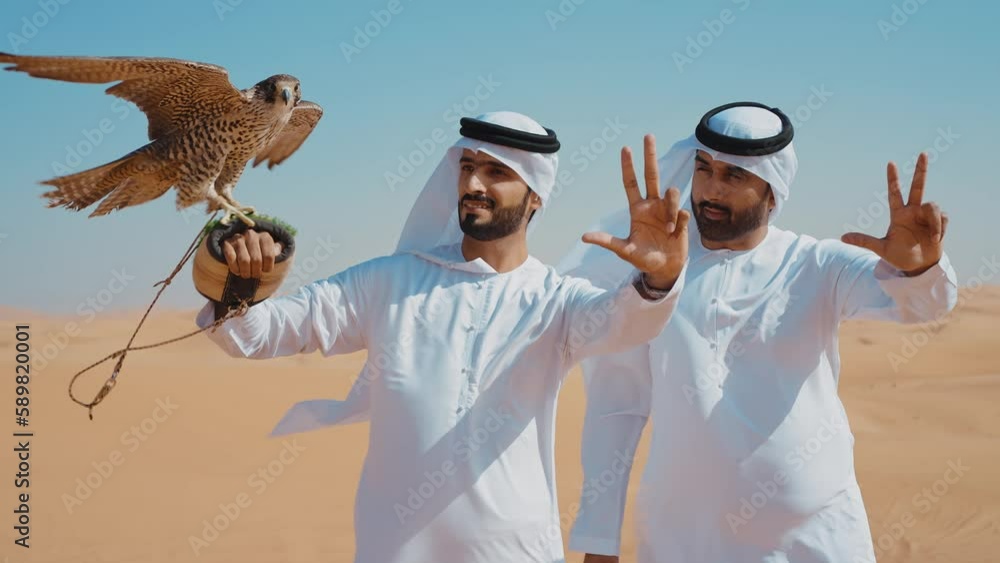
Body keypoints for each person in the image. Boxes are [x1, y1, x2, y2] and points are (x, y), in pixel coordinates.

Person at [195, 111, 691, 563]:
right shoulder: (389, 282)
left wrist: (659, 278)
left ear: (536, 194)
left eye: (496, 171)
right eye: (467, 166)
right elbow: (257, 336)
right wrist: (240, 278)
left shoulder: (555, 300)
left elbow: (628, 321)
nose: (473, 182)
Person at [558, 102, 959, 563]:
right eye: (704, 169)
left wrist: (922, 269)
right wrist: (598, 541)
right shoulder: (656, 279)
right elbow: (618, 407)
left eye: (733, 176)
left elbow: (924, 305)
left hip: (817, 541)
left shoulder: (817, 264)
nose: (709, 188)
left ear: (773, 192)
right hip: (682, 543)